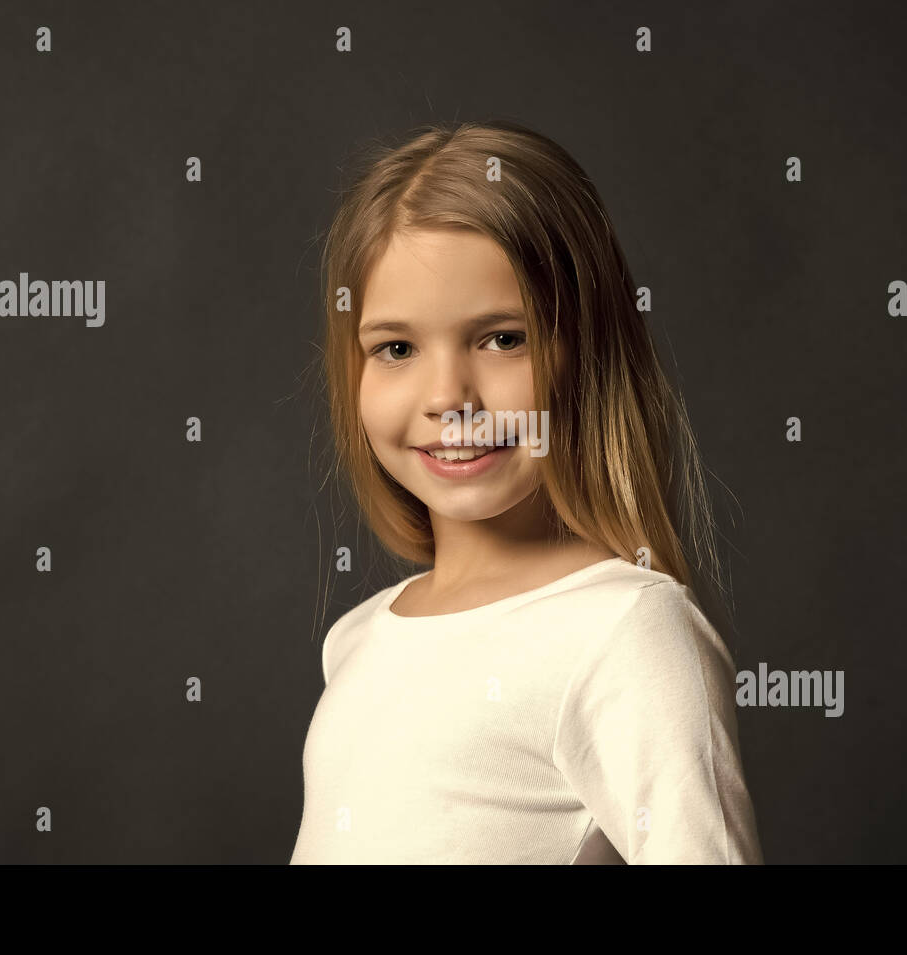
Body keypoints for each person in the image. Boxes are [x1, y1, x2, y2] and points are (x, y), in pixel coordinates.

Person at [290, 120, 762, 864]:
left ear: (588, 352)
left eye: (504, 337)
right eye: (397, 348)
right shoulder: (357, 638)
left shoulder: (624, 632)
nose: (449, 396)